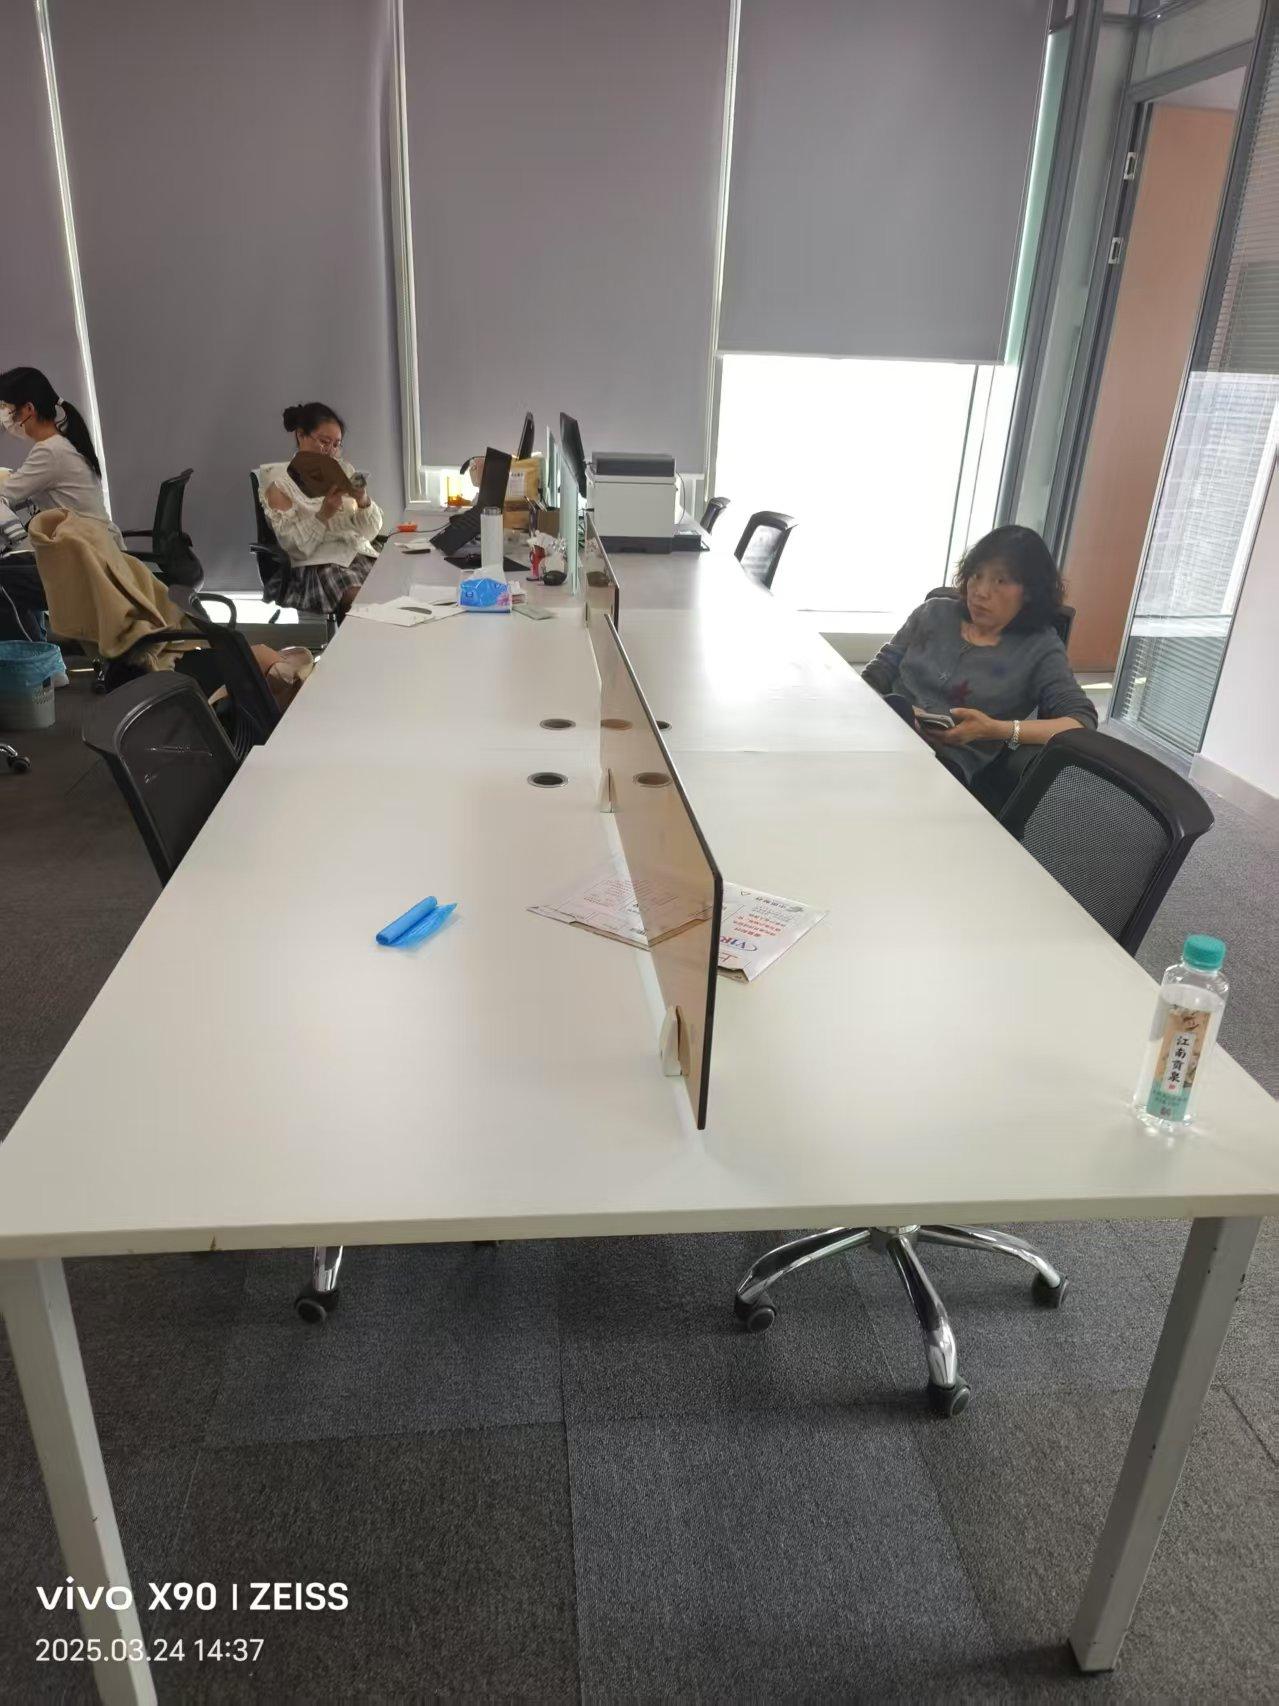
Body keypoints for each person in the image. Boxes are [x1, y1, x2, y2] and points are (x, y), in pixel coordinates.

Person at [862, 525, 1096, 783]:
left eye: (1000, 581)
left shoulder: (1039, 648)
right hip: (882, 730)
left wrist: (995, 730)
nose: (981, 592)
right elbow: (879, 671)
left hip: (944, 765)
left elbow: (1080, 721)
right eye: (976, 575)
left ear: (1030, 591)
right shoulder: (933, 612)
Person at [257, 402, 383, 616]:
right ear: (301, 435)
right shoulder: (278, 485)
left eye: (337, 444)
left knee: (395, 587)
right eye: (324, 442)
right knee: (362, 602)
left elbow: (370, 533)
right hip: (318, 565)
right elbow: (294, 548)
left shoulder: (345, 470)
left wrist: (362, 500)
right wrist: (323, 515)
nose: (331, 451)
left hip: (357, 553)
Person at [0, 367, 120, 543]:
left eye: (6, 408)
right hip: (96, 544)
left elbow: (6, 492)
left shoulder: (50, 451)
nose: (4, 418)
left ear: (29, 409)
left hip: (89, 550)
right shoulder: (61, 443)